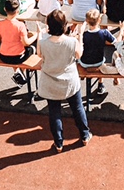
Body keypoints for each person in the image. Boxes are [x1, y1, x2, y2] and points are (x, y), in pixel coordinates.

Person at [37, 10, 92, 151]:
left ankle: (58, 142)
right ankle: (85, 135)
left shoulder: (43, 42)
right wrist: (79, 35)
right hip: (70, 82)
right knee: (78, 108)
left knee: (54, 112)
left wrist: (39, 34)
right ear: (64, 25)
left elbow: (39, 54)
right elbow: (79, 55)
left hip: (50, 82)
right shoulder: (71, 41)